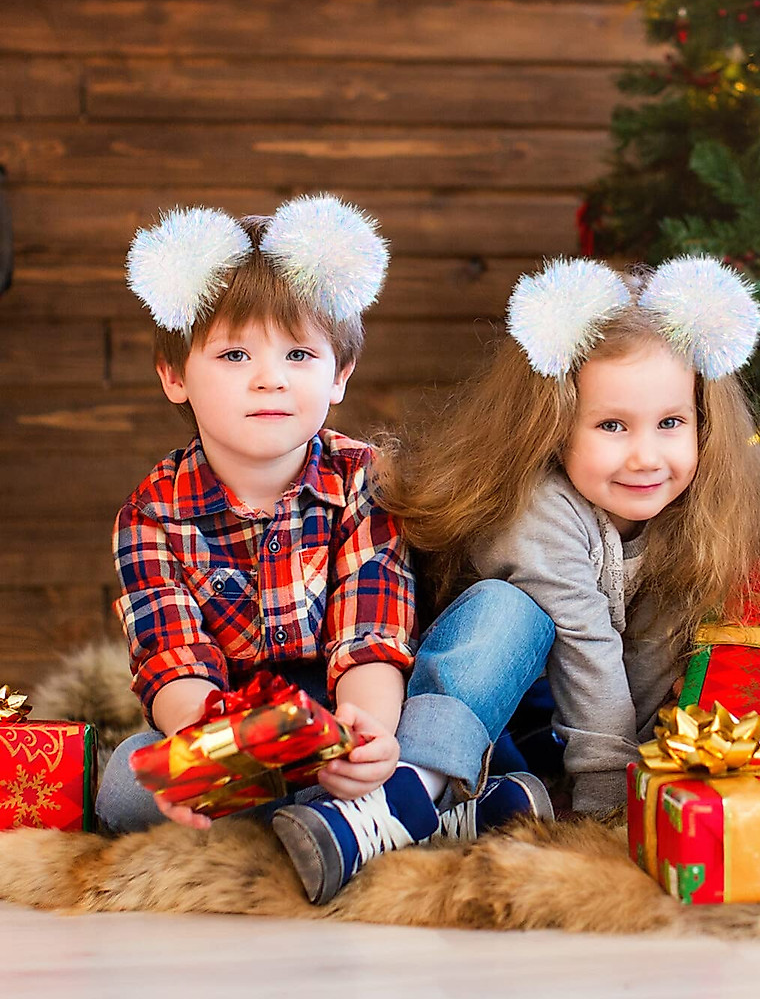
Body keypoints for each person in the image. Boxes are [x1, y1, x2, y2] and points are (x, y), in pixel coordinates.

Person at [98, 196, 549, 906]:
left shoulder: (364, 478)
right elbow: (174, 668)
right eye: (236, 354)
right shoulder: (151, 513)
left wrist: (369, 733)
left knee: (505, 613)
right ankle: (447, 806)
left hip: (378, 707)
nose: (270, 377)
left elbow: (371, 634)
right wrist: (216, 756)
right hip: (252, 732)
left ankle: (409, 786)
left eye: (299, 354)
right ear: (175, 374)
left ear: (339, 375)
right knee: (125, 782)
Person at [368, 255, 760, 823]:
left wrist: (649, 778)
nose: (646, 457)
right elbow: (585, 649)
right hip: (480, 712)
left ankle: (489, 805)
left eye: (670, 423)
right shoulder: (538, 511)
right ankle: (409, 791)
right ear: (554, 426)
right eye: (612, 426)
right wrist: (608, 808)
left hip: (570, 736)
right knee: (506, 610)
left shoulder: (688, 515)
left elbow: (650, 659)